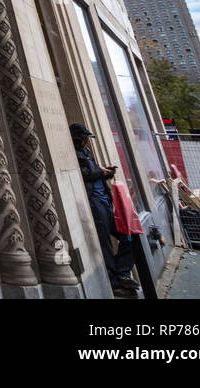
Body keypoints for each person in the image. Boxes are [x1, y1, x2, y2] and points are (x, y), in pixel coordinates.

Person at [71, 122, 139, 297]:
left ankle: (122, 272)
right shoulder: (75, 154)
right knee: (106, 243)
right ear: (80, 139)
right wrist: (101, 172)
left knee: (129, 235)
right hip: (94, 202)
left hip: (105, 200)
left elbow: (94, 171)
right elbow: (84, 174)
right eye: (85, 138)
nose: (87, 142)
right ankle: (115, 281)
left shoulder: (86, 152)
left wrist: (105, 172)